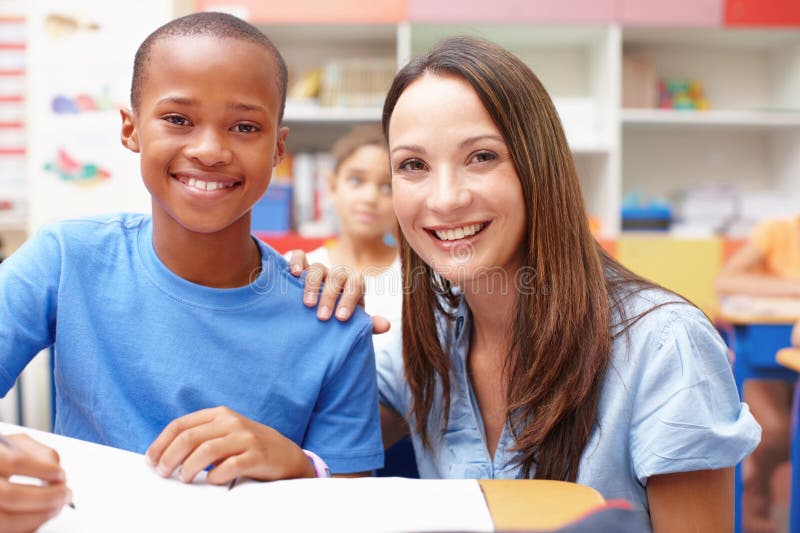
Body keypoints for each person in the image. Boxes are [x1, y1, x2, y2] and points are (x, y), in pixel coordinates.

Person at [293, 36, 760, 531]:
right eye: (413, 166)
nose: (446, 198)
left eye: (482, 157)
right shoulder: (427, 330)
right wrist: (296, 313)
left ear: (539, 165)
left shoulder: (666, 344)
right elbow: (321, 450)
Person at [0, 12, 382, 532]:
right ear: (131, 129)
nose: (209, 150)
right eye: (178, 119)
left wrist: (297, 465)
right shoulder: (66, 258)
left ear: (278, 148)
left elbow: (358, 506)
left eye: (244, 127)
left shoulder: (332, 320)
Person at [716, 215, 800, 533]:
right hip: (764, 351)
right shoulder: (779, 232)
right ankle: (754, 498)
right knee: (775, 431)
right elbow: (726, 281)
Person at [292, 124, 401, 356]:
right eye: (356, 181)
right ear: (331, 187)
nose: (370, 198)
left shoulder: (421, 278)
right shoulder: (302, 271)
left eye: (387, 187)